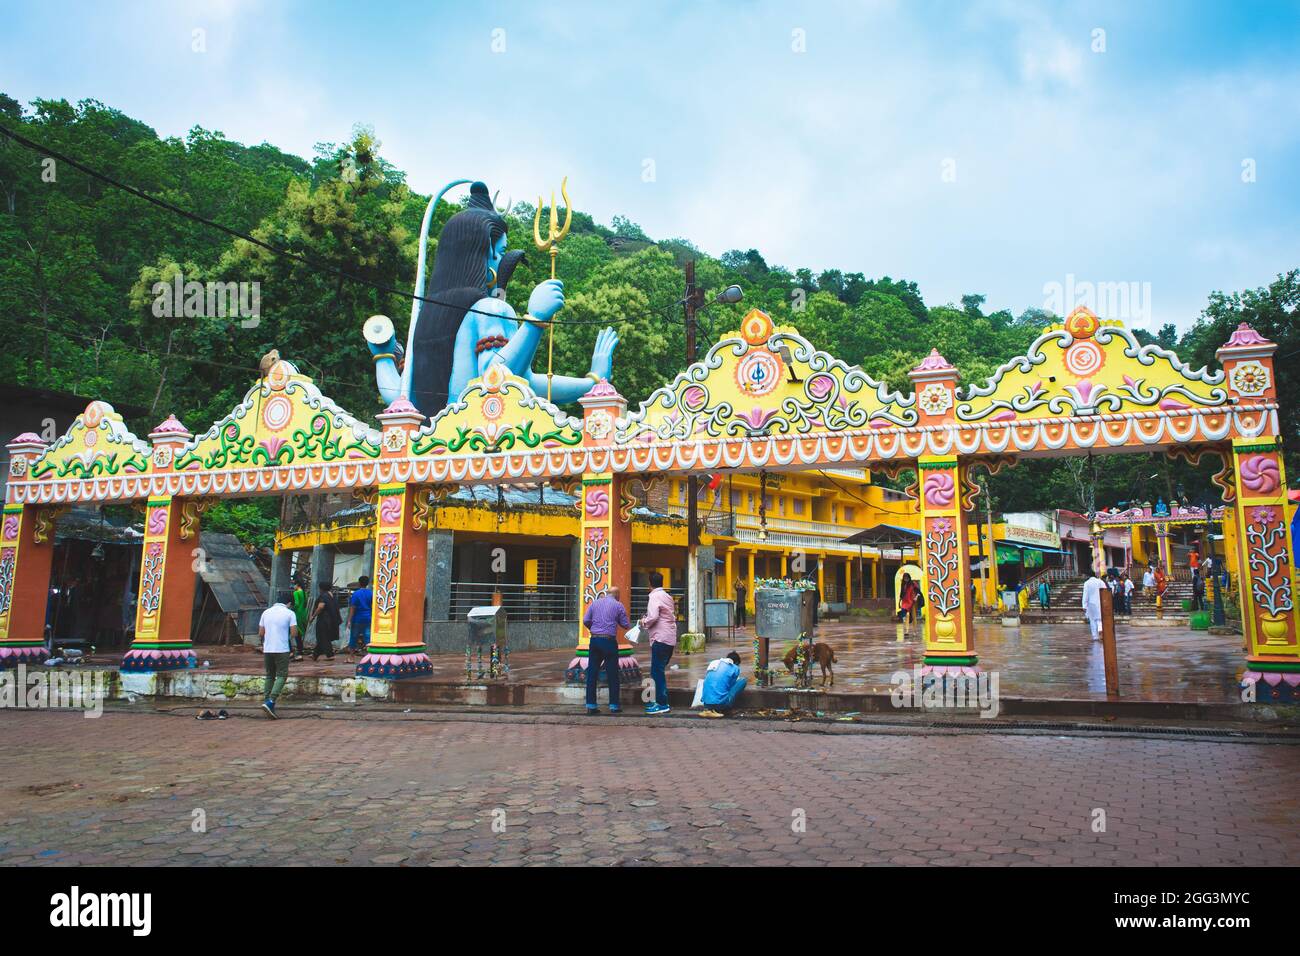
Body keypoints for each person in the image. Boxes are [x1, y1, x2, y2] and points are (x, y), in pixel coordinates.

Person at [582, 585, 631, 715]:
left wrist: (594, 628)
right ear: (617, 595)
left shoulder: (595, 603)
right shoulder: (618, 605)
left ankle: (591, 705)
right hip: (609, 641)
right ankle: (614, 705)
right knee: (612, 674)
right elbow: (625, 625)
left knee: (592, 673)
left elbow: (586, 620)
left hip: (595, 640)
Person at [640, 572, 677, 715]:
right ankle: (661, 702)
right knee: (659, 669)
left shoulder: (654, 596)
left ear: (650, 583)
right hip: (670, 638)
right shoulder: (667, 596)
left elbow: (654, 616)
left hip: (660, 638)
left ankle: (662, 703)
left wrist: (644, 621)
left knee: (656, 672)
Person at [258, 591, 298, 718]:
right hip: (282, 648)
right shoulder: (290, 613)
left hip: (268, 648)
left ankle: (266, 700)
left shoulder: (266, 612)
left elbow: (261, 633)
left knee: (270, 675)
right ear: (289, 603)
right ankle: (271, 701)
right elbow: (294, 633)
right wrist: (287, 638)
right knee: (282, 675)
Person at [307, 581, 341, 662]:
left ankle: (330, 655)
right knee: (323, 637)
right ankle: (315, 654)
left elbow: (321, 607)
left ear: (321, 588)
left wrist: (313, 616)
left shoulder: (323, 595)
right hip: (333, 619)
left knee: (323, 637)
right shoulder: (332, 596)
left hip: (324, 620)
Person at [347, 576, 373, 661]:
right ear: (368, 583)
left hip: (357, 618)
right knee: (368, 637)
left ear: (359, 583)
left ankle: (351, 657)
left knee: (354, 637)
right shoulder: (371, 593)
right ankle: (370, 656)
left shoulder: (356, 594)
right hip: (368, 618)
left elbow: (352, 607)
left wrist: (349, 620)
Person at [1082, 569, 1105, 641]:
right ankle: (1100, 629)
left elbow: (1085, 595)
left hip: (1091, 604)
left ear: (1087, 575)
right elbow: (1105, 591)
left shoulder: (1087, 583)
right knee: (1099, 619)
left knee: (1092, 620)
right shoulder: (1100, 582)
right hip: (1100, 603)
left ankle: (1095, 636)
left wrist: (1084, 606)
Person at [291, 581, 308, 661]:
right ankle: (300, 649)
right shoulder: (305, 593)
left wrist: (291, 609)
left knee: (297, 632)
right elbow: (305, 603)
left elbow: (297, 604)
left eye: (294, 584)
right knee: (301, 633)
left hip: (297, 613)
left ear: (297, 585)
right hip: (304, 613)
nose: (293, 586)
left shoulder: (296, 593)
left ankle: (299, 651)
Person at [898, 573, 920, 638]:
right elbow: (901, 594)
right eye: (904, 578)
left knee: (914, 616)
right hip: (905, 602)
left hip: (913, 601)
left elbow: (918, 592)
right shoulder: (903, 585)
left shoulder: (913, 584)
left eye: (907, 577)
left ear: (909, 577)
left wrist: (916, 597)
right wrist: (900, 601)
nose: (906, 579)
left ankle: (914, 631)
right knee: (906, 616)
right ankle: (907, 631)